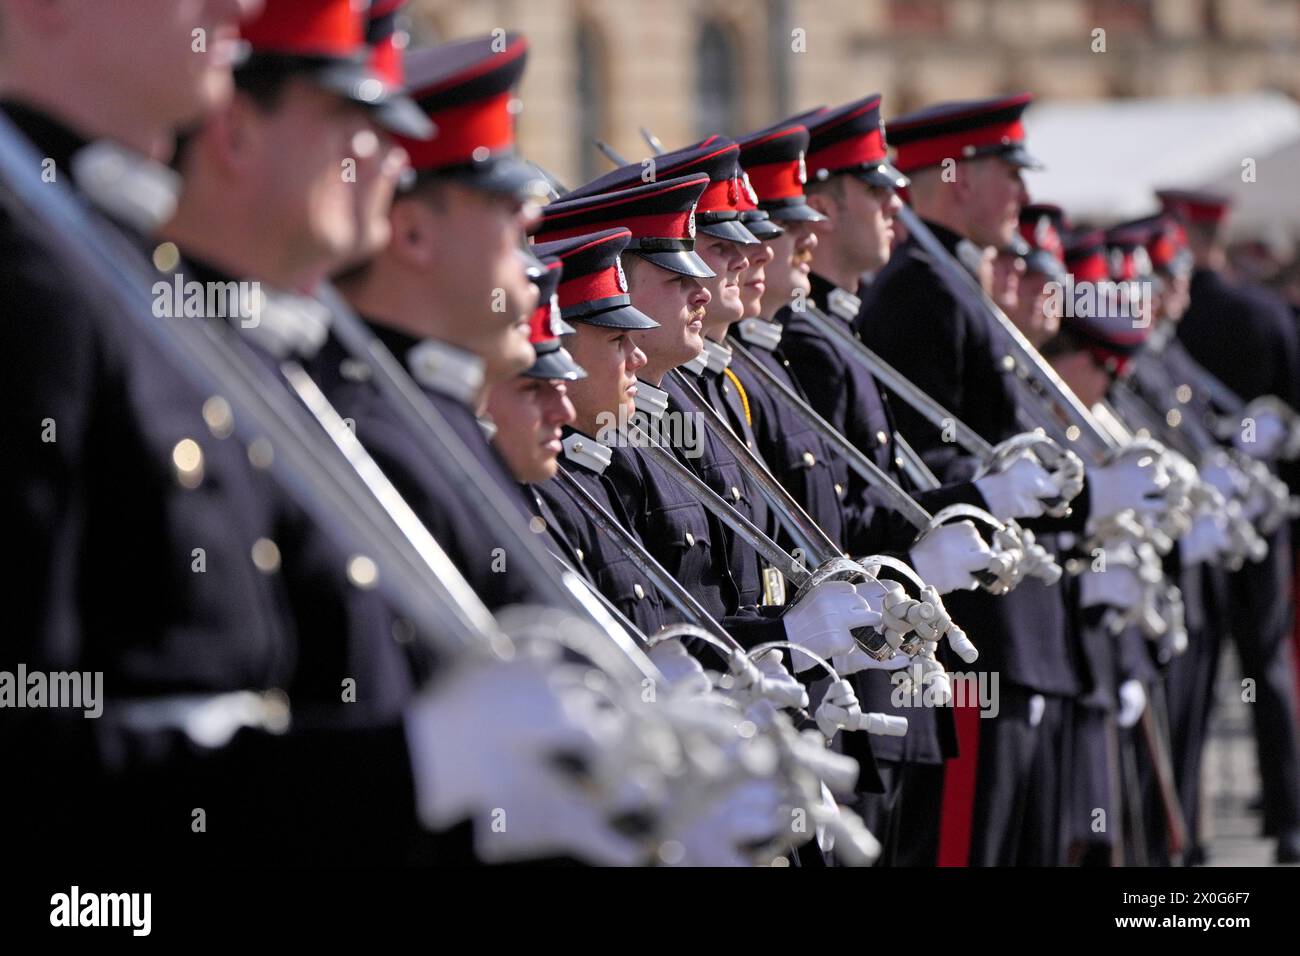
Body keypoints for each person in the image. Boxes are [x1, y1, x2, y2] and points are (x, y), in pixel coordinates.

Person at [1160, 188, 1300, 863]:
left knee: (1192, 674)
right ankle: (1288, 815)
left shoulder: (1173, 322)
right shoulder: (1266, 313)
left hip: (1190, 520)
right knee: (1266, 669)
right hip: (1259, 521)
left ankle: (1189, 827)